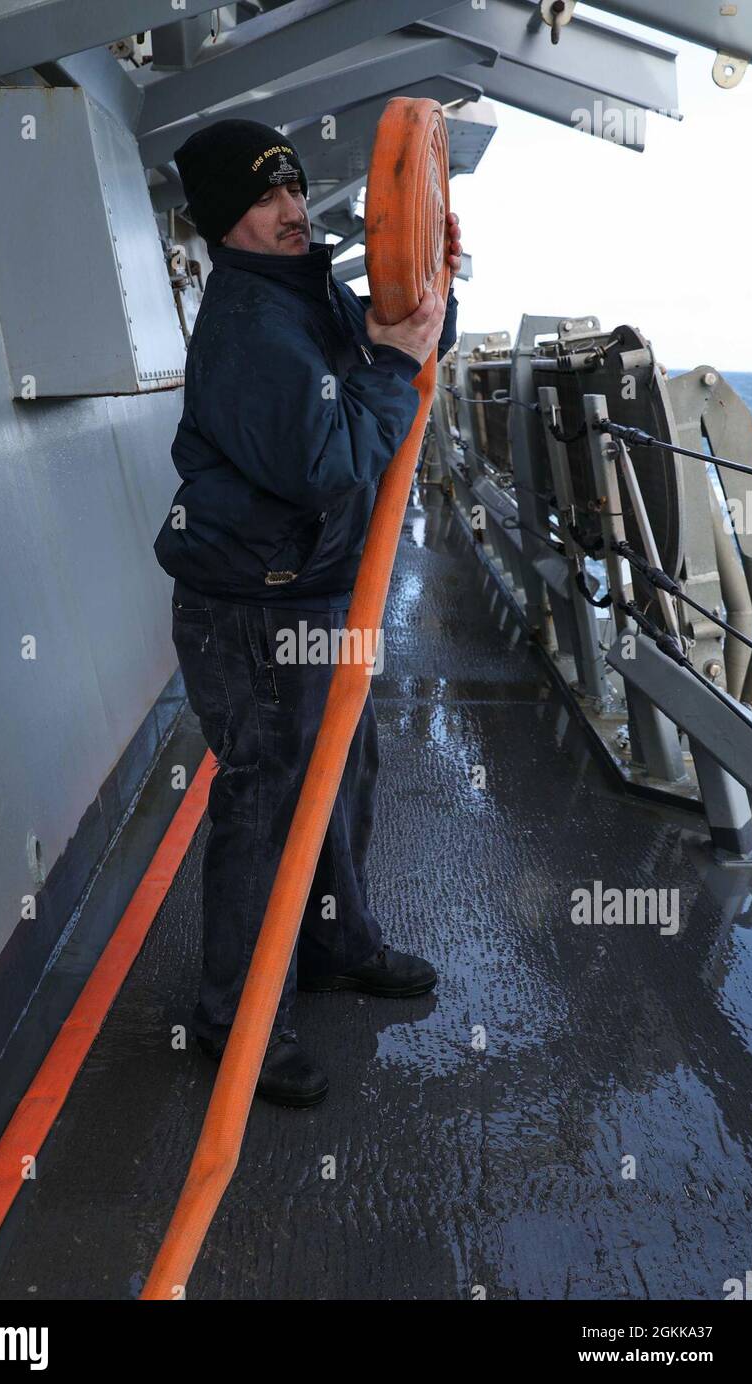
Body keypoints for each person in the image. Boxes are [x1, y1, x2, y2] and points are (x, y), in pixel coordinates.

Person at [154, 118, 462, 1107]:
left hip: (317, 588)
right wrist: (388, 358)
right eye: (264, 196)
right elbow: (324, 458)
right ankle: (233, 1016)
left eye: (291, 188)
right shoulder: (248, 327)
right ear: (216, 220)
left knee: (343, 769)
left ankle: (332, 941)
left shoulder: (303, 288)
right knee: (267, 797)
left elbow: (388, 350)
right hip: (250, 610)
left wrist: (428, 299)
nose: (291, 209)